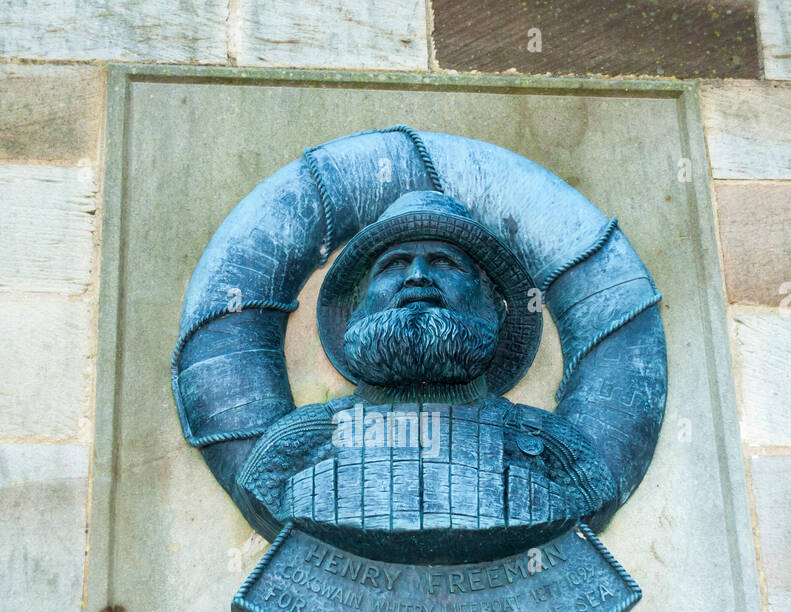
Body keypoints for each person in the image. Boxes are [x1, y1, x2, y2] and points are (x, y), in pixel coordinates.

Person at [238, 191, 616, 562]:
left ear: (494, 309)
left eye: (445, 262)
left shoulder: (553, 449)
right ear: (356, 308)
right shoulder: (296, 445)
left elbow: (592, 499)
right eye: (394, 264)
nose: (418, 277)